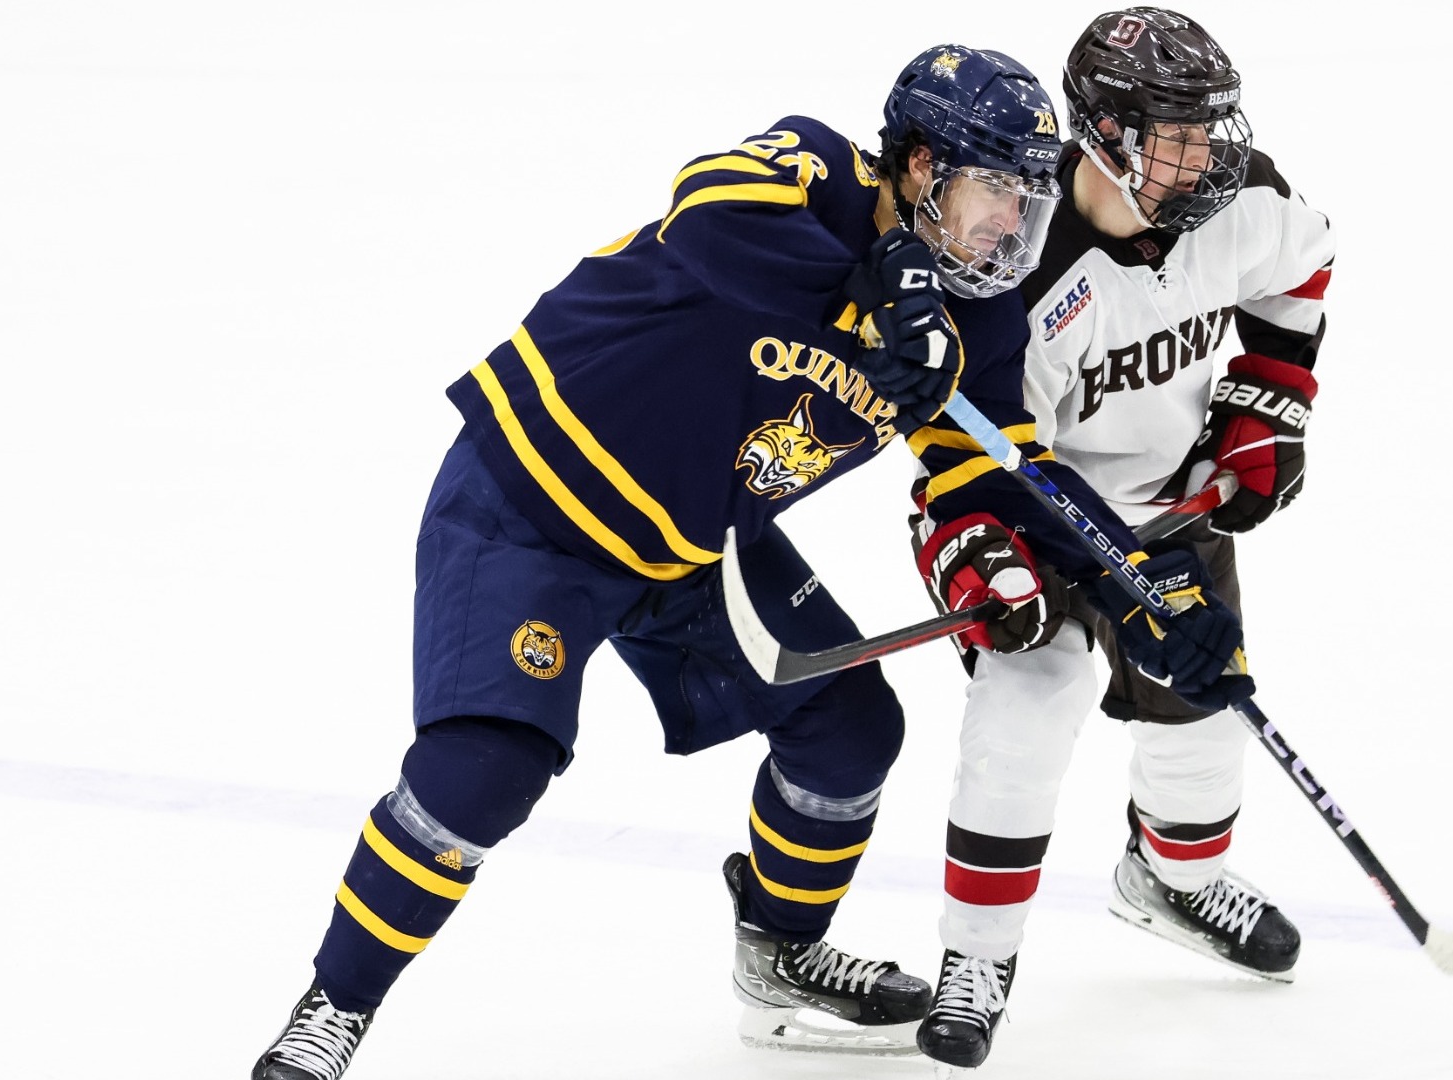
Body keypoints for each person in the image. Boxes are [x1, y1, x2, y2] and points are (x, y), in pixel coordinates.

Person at [248, 42, 1241, 1080]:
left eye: (1027, 199)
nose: (1010, 223)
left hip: (692, 548)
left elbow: (998, 472)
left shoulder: (977, 319)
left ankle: (781, 957)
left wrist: (1136, 583)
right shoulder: (814, 170)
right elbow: (705, 215)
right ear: (916, 167)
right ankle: (333, 1009)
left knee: (850, 729)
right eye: (993, 187)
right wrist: (869, 273)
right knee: (488, 766)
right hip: (530, 504)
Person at [908, 8, 1338, 1069]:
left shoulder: (1243, 203)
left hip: (1166, 509)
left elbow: (1301, 272)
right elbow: (965, 462)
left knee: (1206, 719)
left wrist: (1264, 409)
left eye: (1209, 126)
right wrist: (982, 555)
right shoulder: (1016, 261)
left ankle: (1173, 881)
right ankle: (978, 956)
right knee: (1024, 721)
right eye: (1177, 132)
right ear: (1102, 133)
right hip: (1029, 520)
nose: (1208, 154)